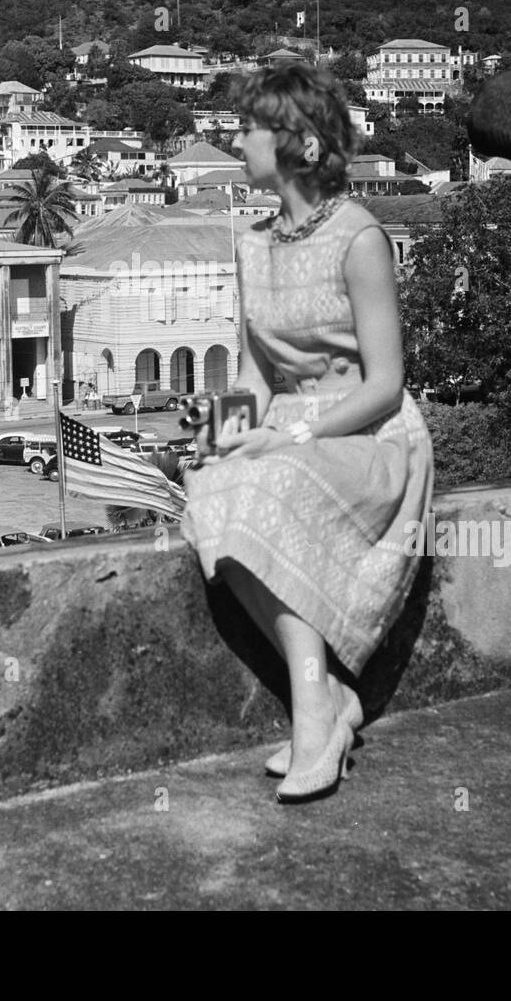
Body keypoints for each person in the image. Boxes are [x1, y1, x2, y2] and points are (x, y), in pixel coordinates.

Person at [180, 61, 434, 805]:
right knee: (209, 491)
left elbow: (385, 382)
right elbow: (257, 374)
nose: (236, 139)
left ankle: (315, 710)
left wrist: (292, 439)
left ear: (292, 139)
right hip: (289, 430)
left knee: (268, 483)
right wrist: (216, 434)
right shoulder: (252, 244)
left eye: (248, 127)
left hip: (369, 435)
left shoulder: (360, 239)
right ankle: (325, 702)